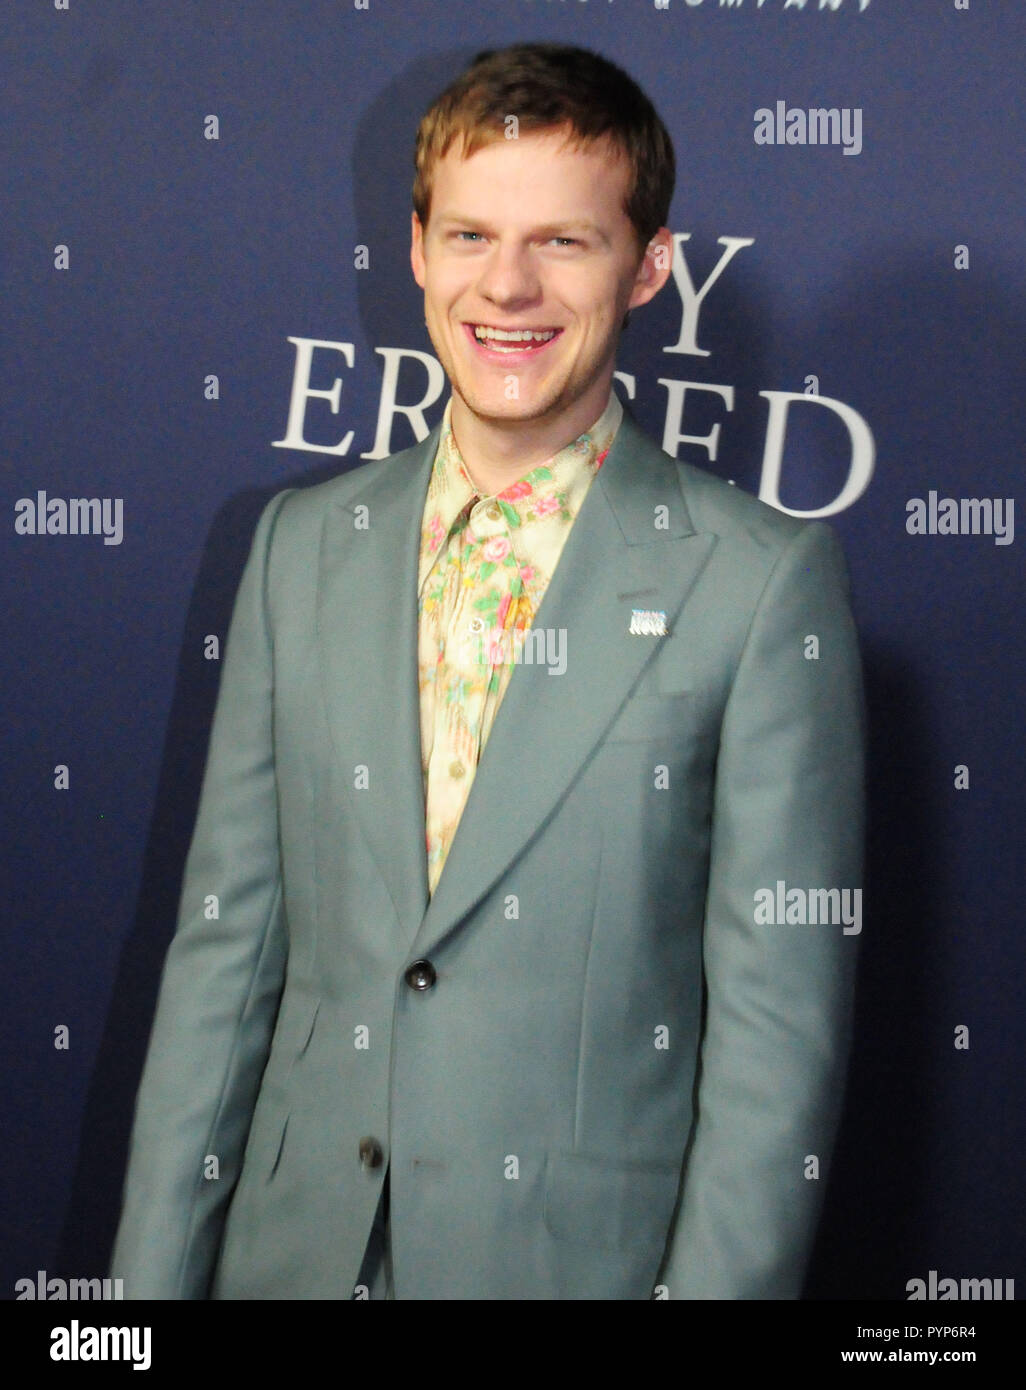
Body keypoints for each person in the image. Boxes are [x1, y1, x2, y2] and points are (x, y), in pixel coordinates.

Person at [110, 41, 865, 1300]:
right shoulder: (300, 547)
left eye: (563, 242)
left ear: (648, 266)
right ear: (415, 250)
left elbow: (775, 1045)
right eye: (469, 236)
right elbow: (223, 958)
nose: (505, 287)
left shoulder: (757, 583)